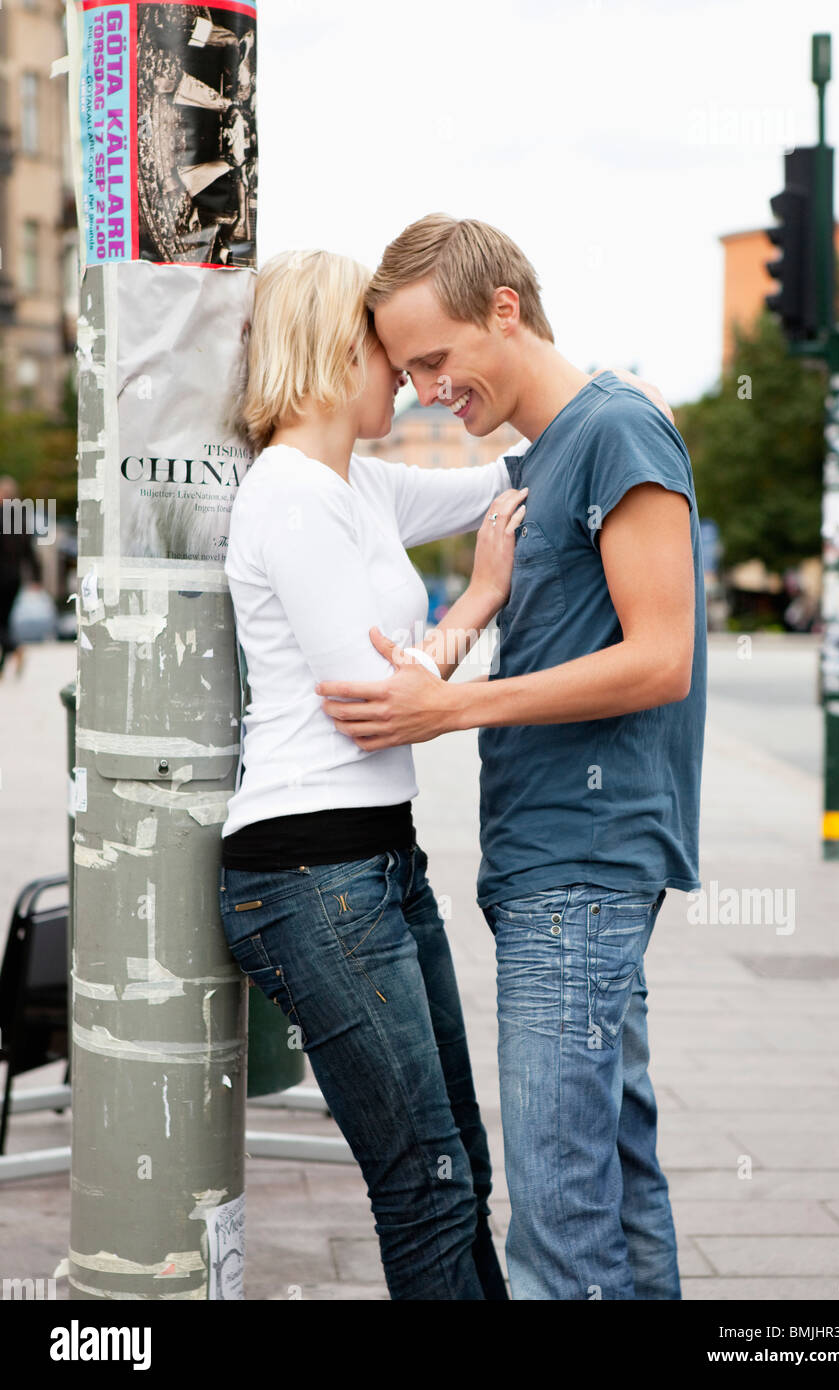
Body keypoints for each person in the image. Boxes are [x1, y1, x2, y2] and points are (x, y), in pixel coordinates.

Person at [314, 214, 707, 1301]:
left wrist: (452, 710)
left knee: (557, 1217)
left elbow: (660, 657)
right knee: (613, 1191)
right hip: (559, 867)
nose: (428, 390)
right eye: (407, 370)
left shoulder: (615, 429)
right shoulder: (543, 458)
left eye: (435, 360)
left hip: (582, 868)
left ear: (505, 309)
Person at [218, 247, 528, 1300]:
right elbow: (375, 703)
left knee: (461, 1168)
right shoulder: (289, 493)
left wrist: (595, 397)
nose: (404, 374)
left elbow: (506, 476)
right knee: (425, 1184)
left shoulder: (358, 482)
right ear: (327, 351)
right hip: (308, 874)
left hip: (377, 864)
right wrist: (477, 601)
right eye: (385, 354)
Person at [0, 475, 41, 679]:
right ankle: (2, 667)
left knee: (3, 624)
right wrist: (36, 578)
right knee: (5, 622)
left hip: (1, 576)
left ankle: (16, 648)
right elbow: (30, 551)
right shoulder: (19, 517)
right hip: (15, 577)